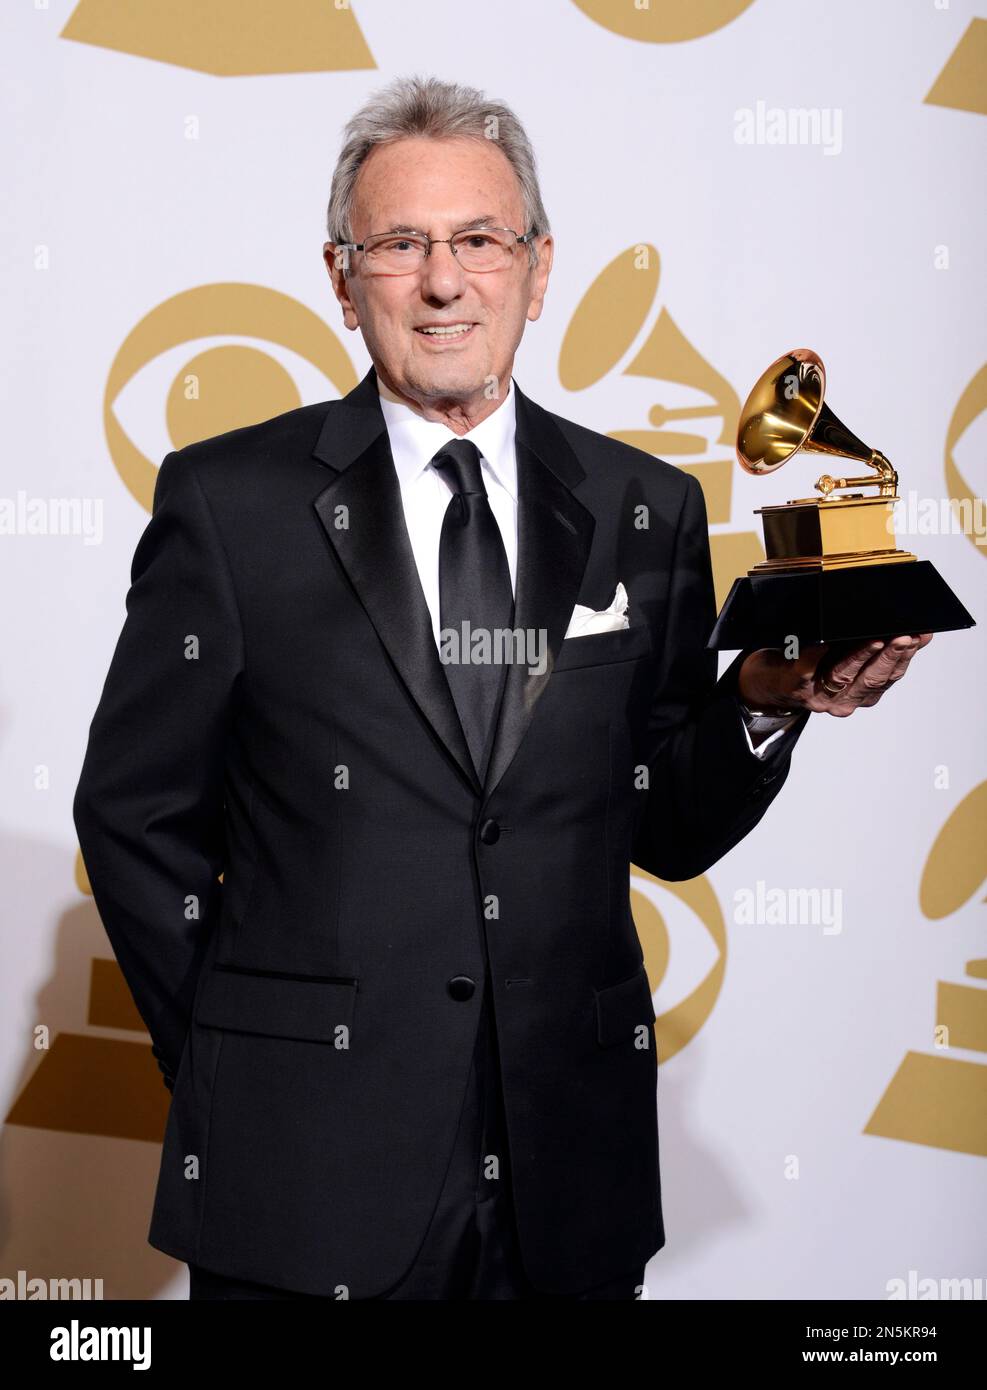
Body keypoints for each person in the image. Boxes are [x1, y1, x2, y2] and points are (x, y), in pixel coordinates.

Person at [73, 74, 931, 1301]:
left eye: (479, 240)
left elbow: (668, 821)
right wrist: (236, 1055)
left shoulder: (647, 507)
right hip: (303, 1174)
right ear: (339, 273)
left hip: (565, 1178)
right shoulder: (229, 503)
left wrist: (769, 691)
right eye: (400, 244)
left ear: (537, 268)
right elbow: (133, 815)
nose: (442, 281)